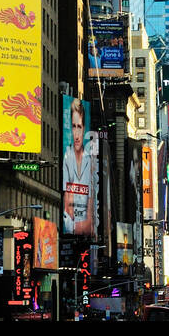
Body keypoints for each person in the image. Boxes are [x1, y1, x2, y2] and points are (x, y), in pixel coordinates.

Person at [62, 99, 96, 236]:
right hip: (69, 231)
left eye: (79, 127)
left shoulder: (91, 160)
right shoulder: (66, 157)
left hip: (81, 232)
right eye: (74, 126)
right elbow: (66, 209)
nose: (76, 134)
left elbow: (89, 224)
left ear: (84, 129)